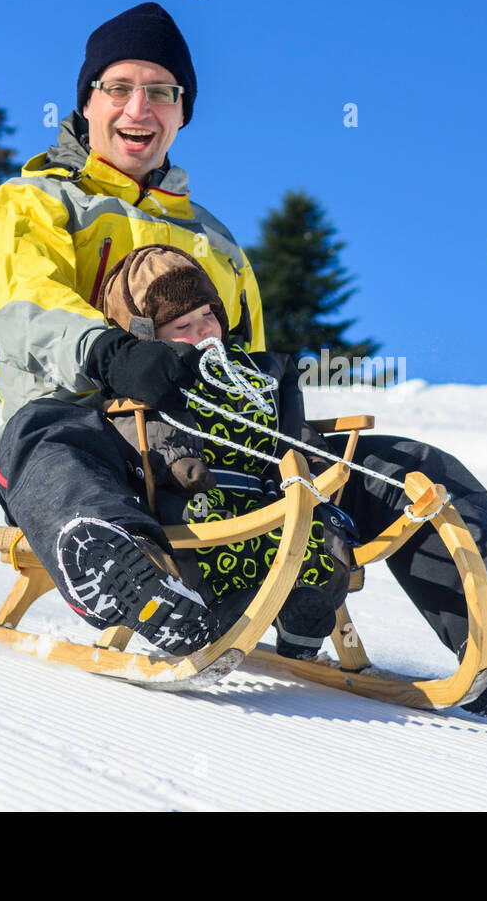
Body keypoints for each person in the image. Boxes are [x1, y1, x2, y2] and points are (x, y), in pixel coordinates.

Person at [0, 1, 487, 715]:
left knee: (402, 466)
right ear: (86, 101)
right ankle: (134, 575)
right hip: (95, 437)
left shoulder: (214, 242)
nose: (139, 107)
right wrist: (107, 353)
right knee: (46, 435)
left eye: (162, 92)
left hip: (208, 452)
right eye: (119, 87)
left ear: (183, 111)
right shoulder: (35, 203)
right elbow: (13, 300)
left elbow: (244, 357)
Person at [95, 242, 354, 660]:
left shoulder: (258, 372)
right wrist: (178, 460)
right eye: (182, 326)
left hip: (267, 491)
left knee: (314, 531)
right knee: (210, 529)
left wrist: (313, 460)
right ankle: (223, 613)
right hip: (196, 492)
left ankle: (301, 615)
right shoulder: (155, 376)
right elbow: (136, 424)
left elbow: (291, 428)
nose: (202, 331)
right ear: (147, 336)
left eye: (207, 316)